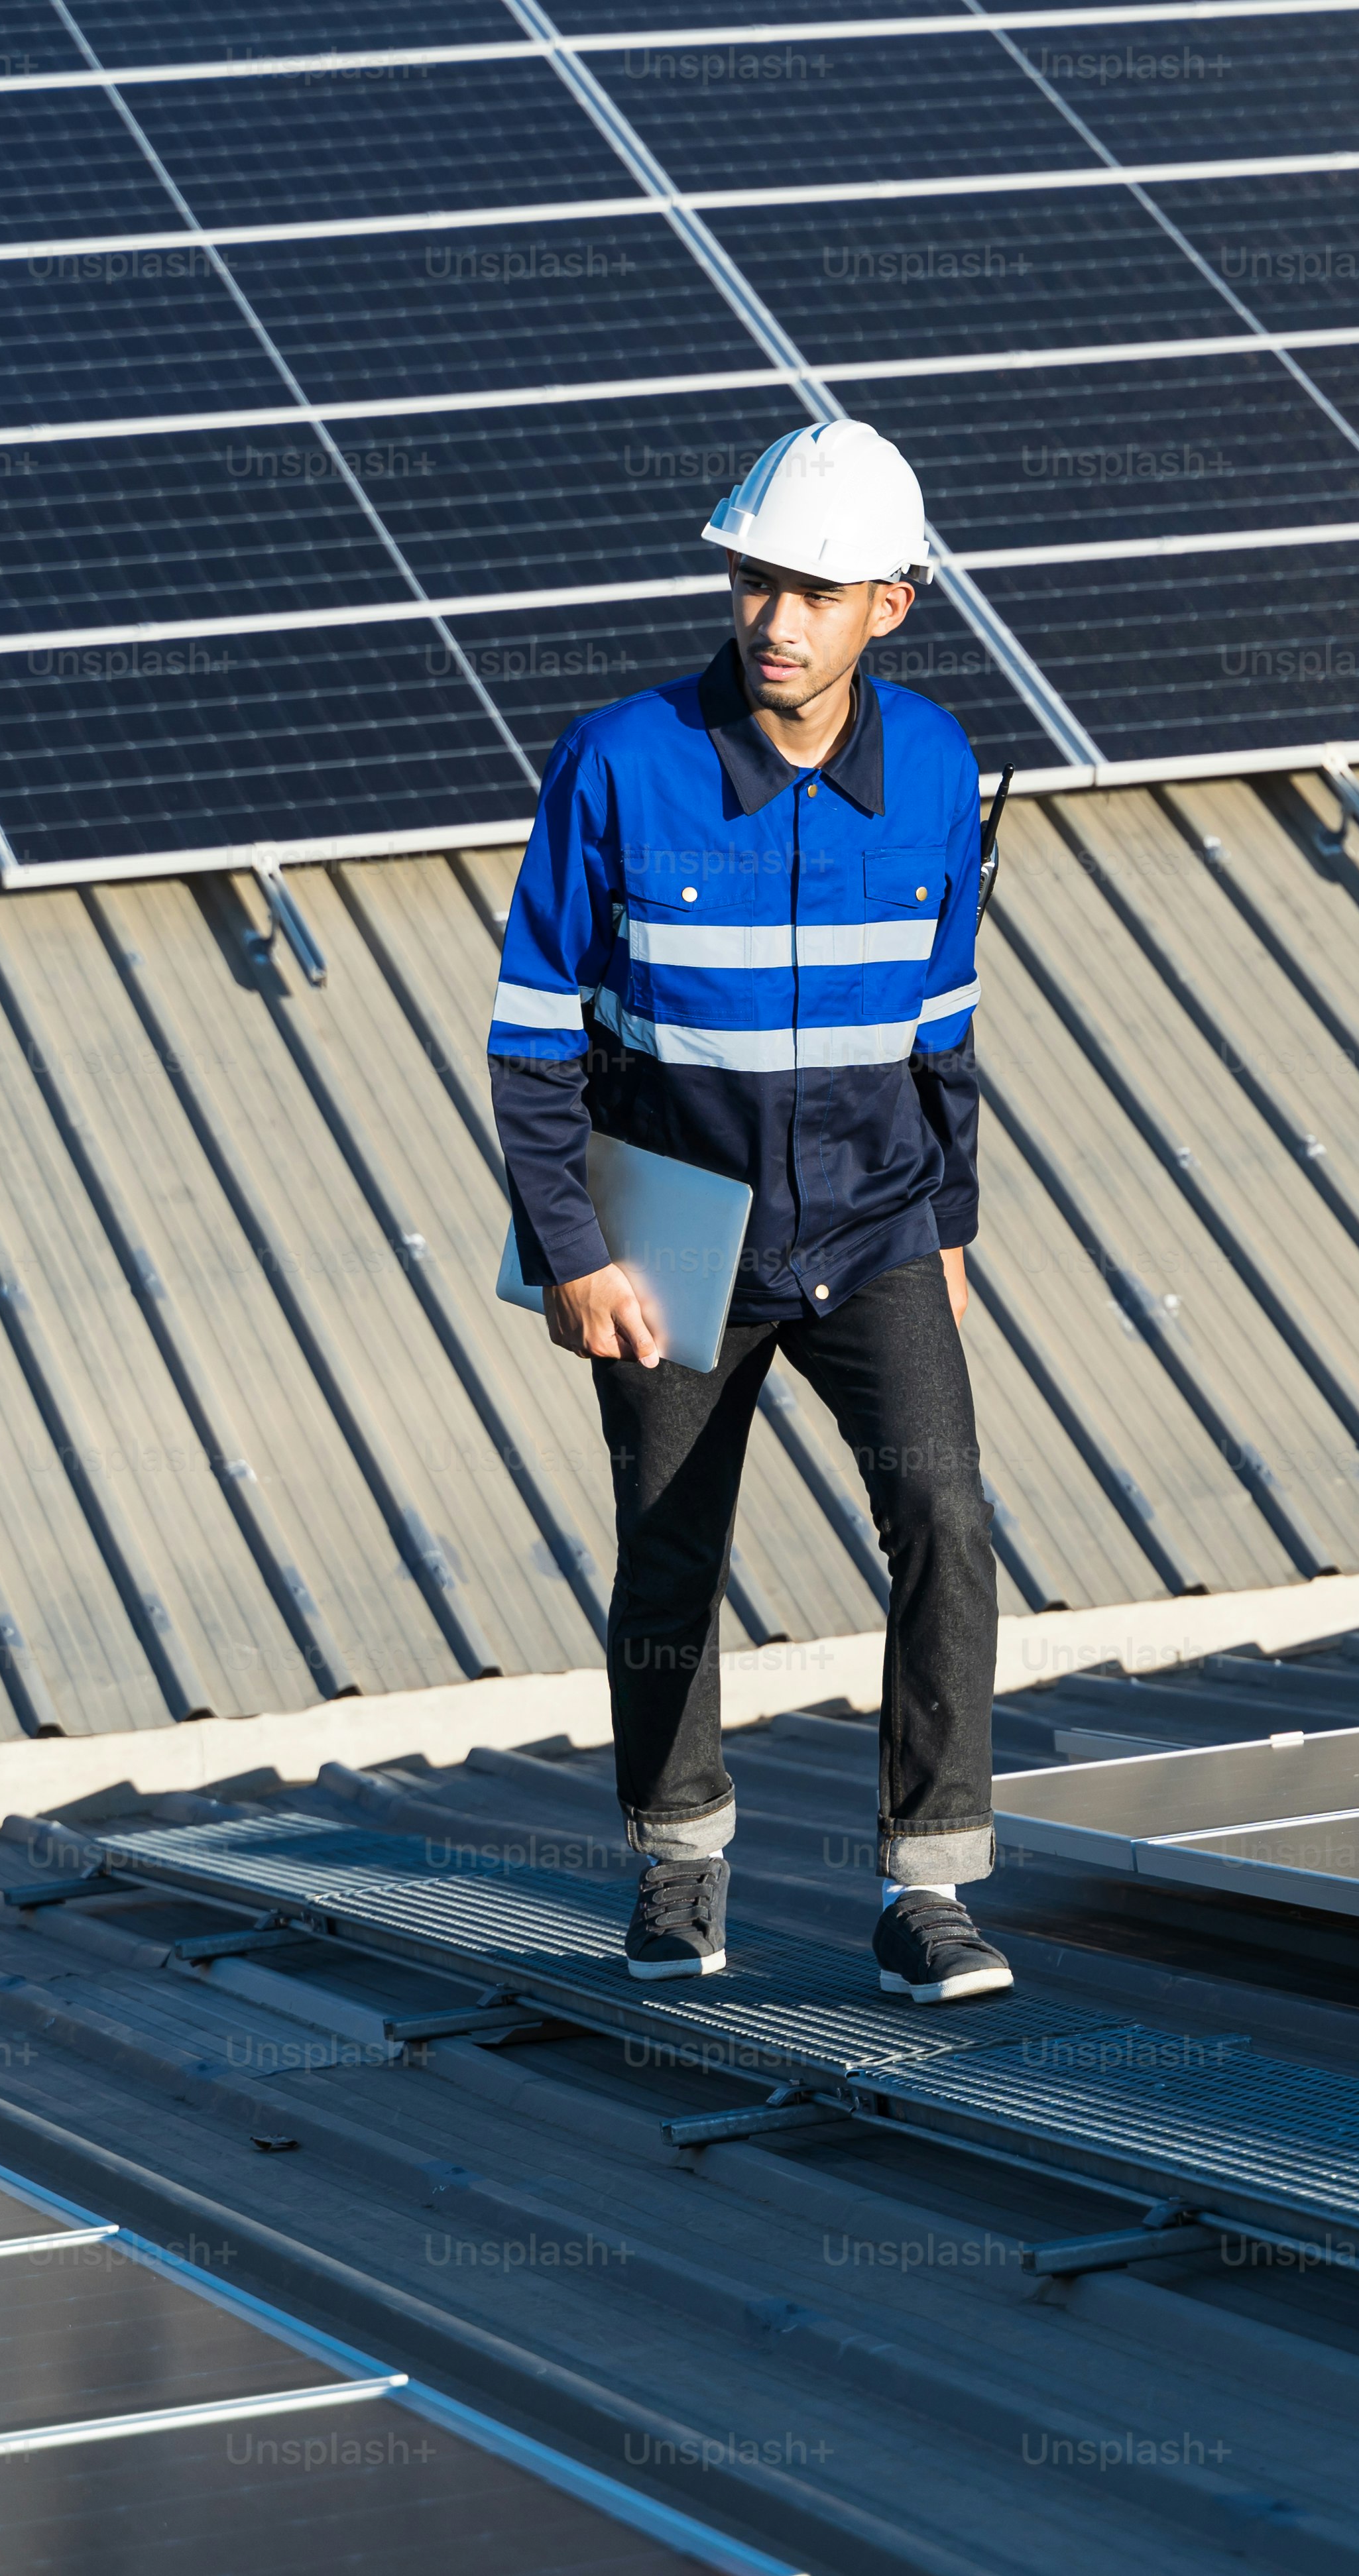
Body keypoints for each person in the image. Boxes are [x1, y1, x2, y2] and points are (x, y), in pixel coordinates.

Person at [483, 418, 1010, 2005]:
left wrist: (957, 1219)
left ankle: (929, 1888)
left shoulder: (931, 769)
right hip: (672, 1220)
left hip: (877, 1226)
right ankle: (679, 1857)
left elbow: (947, 1034)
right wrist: (576, 1251)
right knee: (672, 1547)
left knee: (949, 1528)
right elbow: (530, 1036)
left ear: (889, 608)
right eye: (756, 581)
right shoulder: (619, 761)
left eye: (816, 592)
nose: (776, 620)